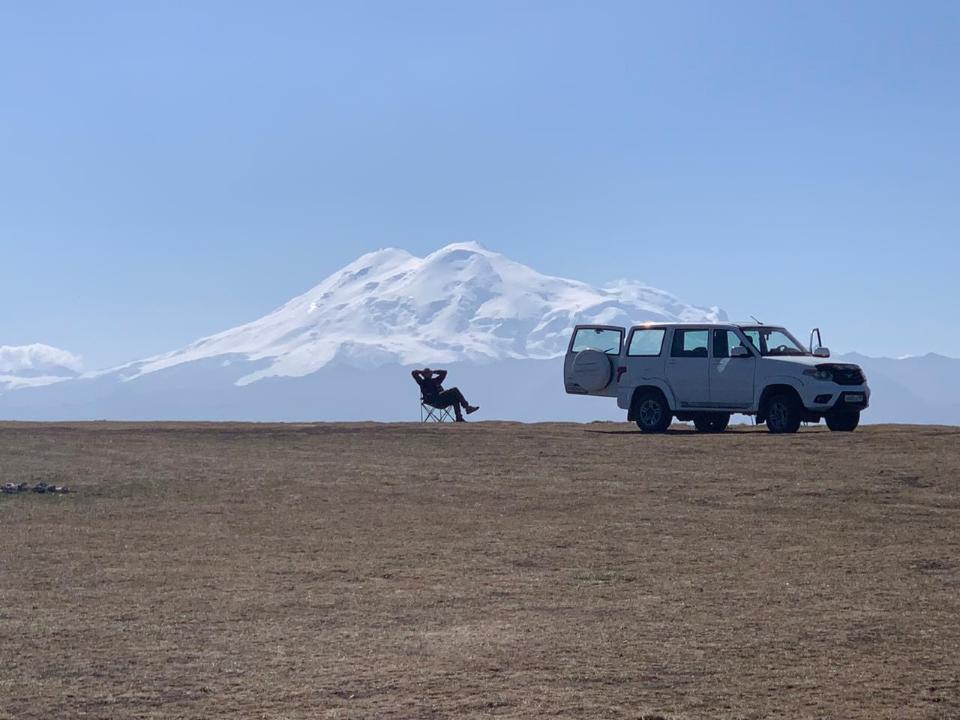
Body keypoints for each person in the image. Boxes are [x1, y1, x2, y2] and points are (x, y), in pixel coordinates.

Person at [411, 367, 479, 422]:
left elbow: (444, 372)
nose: (430, 374)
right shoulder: (422, 382)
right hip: (433, 400)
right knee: (454, 390)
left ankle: (459, 418)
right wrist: (422, 372)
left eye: (430, 373)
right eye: (428, 373)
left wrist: (433, 371)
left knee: (455, 398)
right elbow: (413, 373)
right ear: (424, 375)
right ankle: (467, 407)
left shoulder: (436, 380)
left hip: (441, 400)